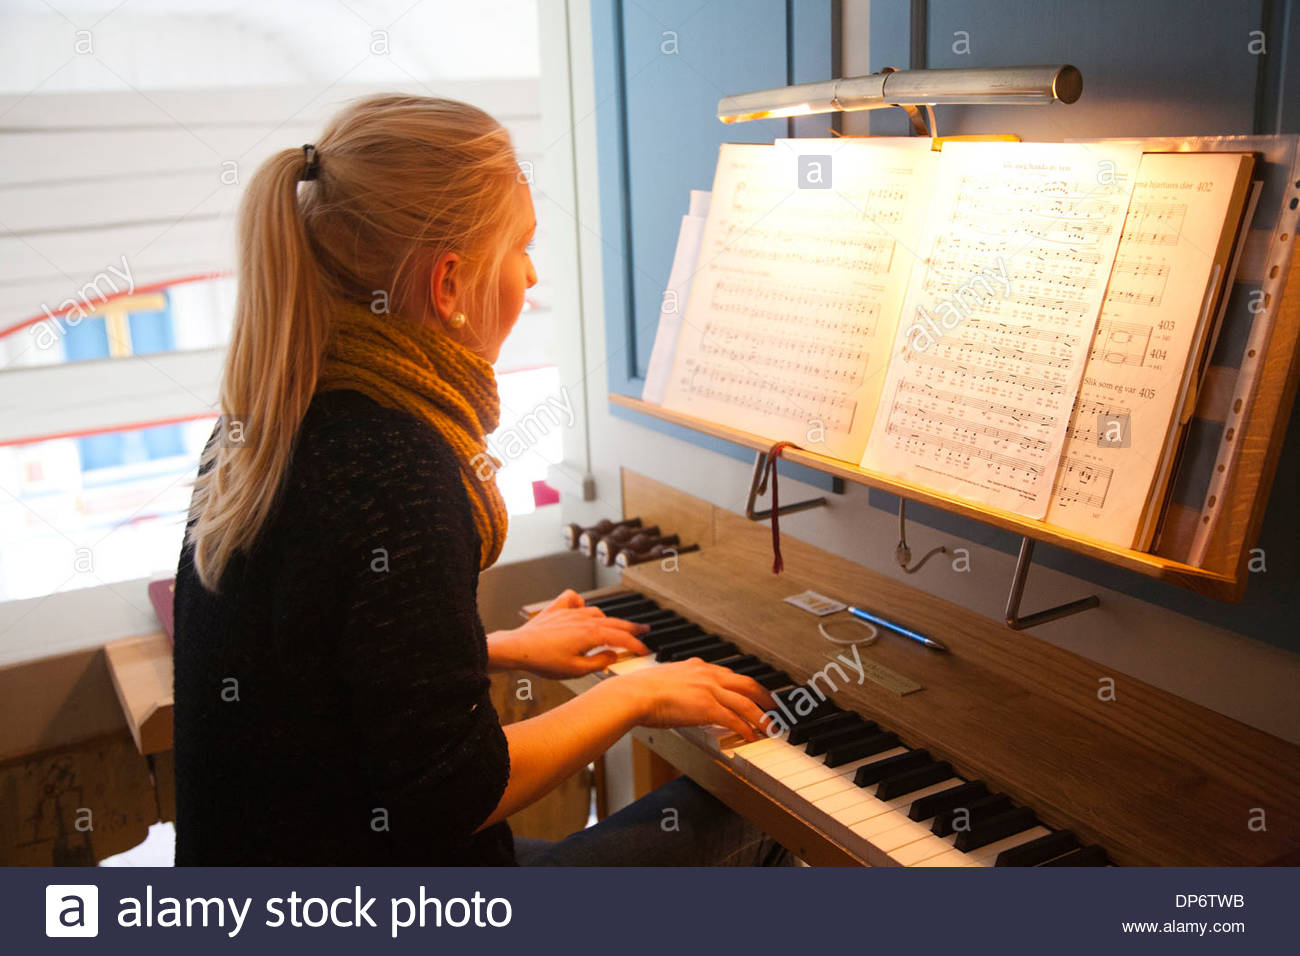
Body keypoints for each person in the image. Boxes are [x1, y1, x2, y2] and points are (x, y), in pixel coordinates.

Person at [172, 94, 789, 866]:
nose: (531, 276)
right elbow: (452, 795)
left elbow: (315, 667)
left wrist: (498, 648)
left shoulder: (266, 417)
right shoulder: (401, 470)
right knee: (761, 801)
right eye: (521, 246)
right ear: (450, 284)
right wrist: (633, 694)